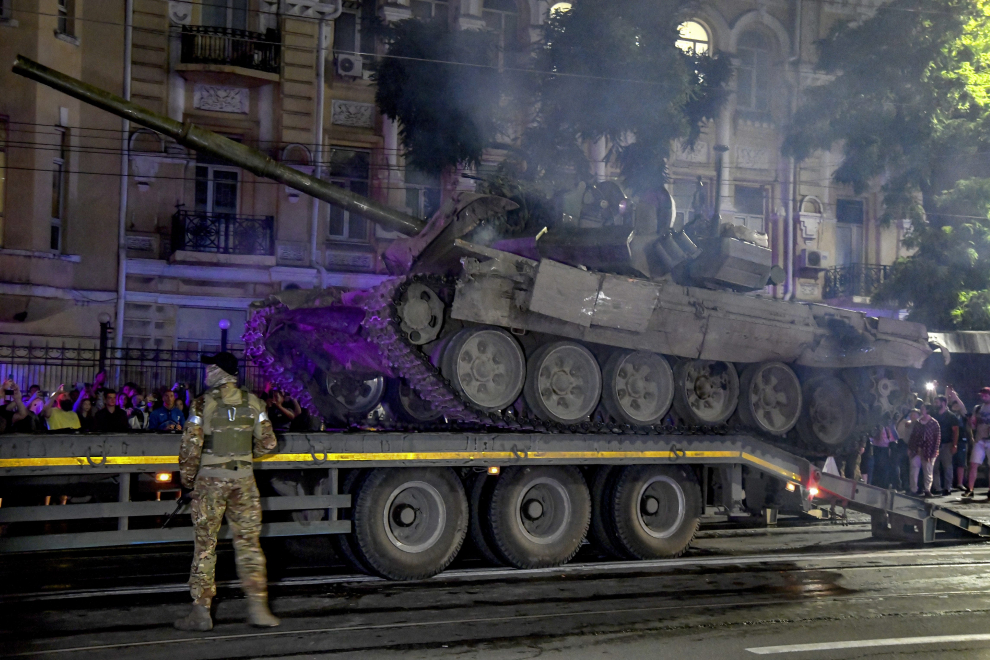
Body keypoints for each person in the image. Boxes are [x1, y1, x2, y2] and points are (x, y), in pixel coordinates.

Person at [174, 351, 280, 631]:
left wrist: (187, 480)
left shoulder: (202, 404)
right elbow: (269, 443)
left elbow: (190, 447)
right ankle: (258, 609)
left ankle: (200, 614)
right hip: (243, 481)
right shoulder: (253, 402)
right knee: (248, 544)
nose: (206, 372)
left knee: (206, 547)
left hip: (210, 482)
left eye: (210, 367)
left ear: (220, 371)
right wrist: (244, 455)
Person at [908, 404, 941, 498]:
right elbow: (913, 436)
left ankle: (927, 490)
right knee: (914, 469)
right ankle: (913, 489)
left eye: (923, 408)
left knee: (928, 470)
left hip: (929, 450)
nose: (921, 410)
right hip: (916, 450)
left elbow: (937, 439)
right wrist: (910, 448)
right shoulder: (918, 423)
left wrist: (934, 451)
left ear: (927, 410)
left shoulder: (934, 423)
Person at [932, 395, 960, 496]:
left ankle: (947, 487)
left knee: (947, 466)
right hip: (935, 444)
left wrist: (955, 445)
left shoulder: (951, 416)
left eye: (937, 402)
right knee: (935, 467)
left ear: (943, 403)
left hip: (947, 444)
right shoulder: (934, 415)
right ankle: (937, 487)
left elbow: (956, 431)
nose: (935, 404)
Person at [965, 387, 990, 498]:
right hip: (979, 439)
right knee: (973, 464)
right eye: (982, 395)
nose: (983, 397)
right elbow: (973, 426)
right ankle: (970, 489)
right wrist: (971, 422)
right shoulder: (978, 408)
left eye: (986, 395)